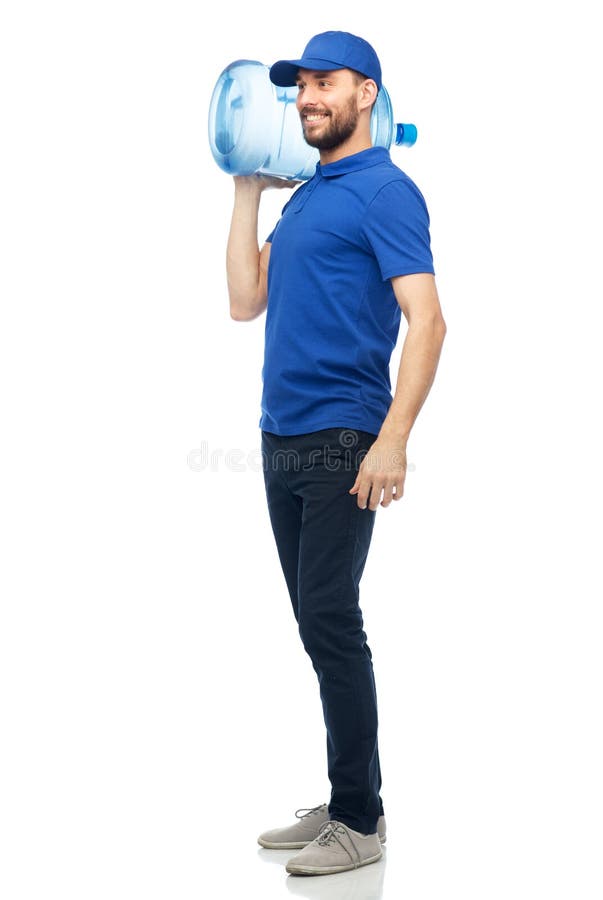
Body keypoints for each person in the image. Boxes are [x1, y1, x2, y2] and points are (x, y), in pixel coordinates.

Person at [225, 30, 446, 877]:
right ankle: (347, 794)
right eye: (300, 86)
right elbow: (247, 300)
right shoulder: (308, 197)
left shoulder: (387, 192)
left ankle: (358, 819)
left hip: (342, 438)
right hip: (280, 435)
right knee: (317, 626)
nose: (308, 97)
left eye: (326, 82)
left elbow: (428, 322)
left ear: (366, 94)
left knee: (330, 622)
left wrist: (392, 440)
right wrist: (247, 189)